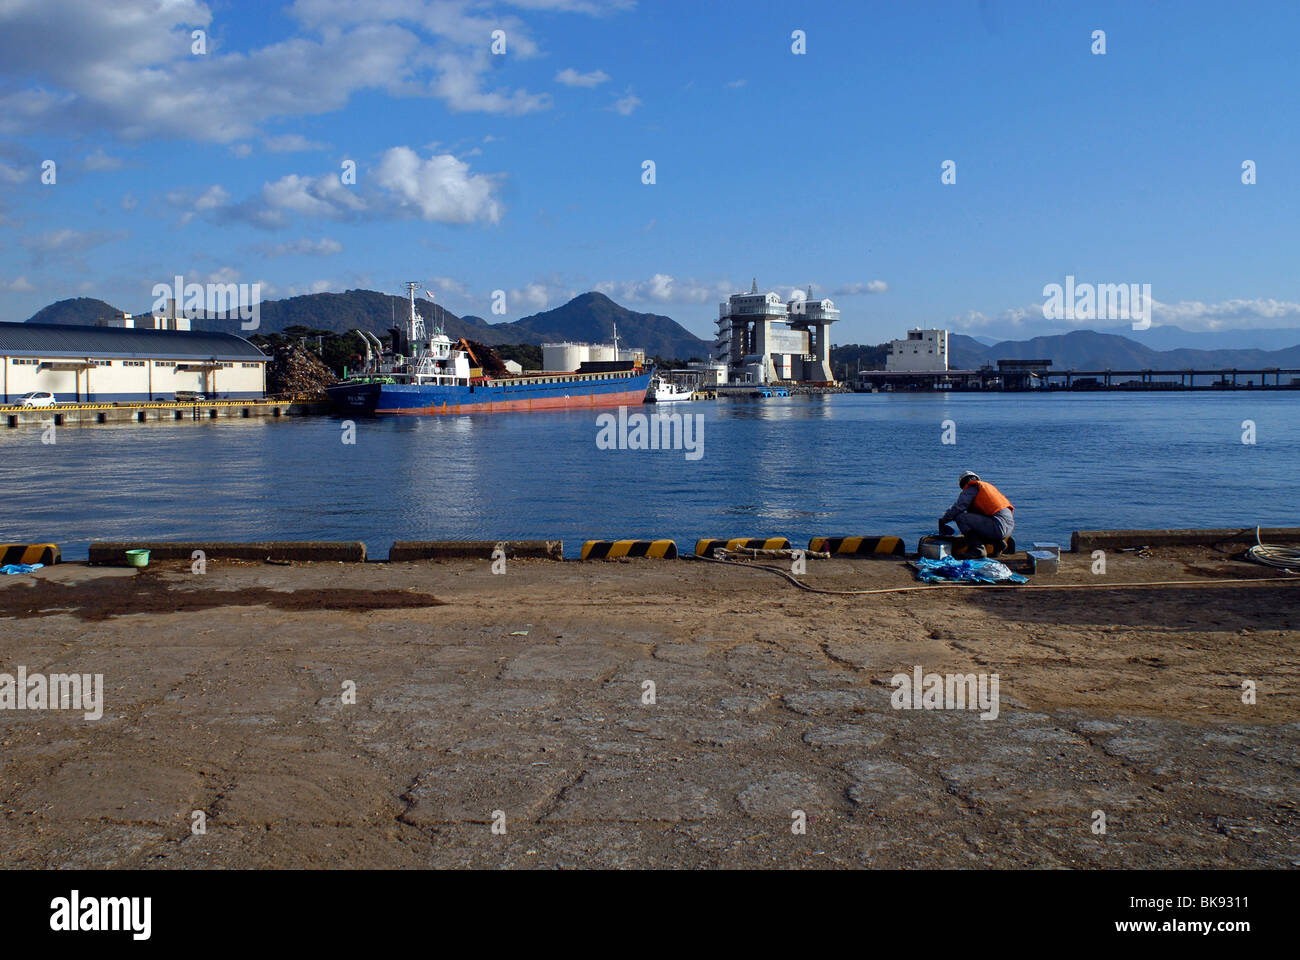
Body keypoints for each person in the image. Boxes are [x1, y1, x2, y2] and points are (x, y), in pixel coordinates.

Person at [938, 470, 1015, 558]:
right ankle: (998, 543)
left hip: (998, 525)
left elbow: (959, 507)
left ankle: (977, 550)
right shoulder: (987, 488)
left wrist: (944, 519)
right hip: (1008, 527)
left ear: (963, 483)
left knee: (961, 518)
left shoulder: (972, 487)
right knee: (973, 525)